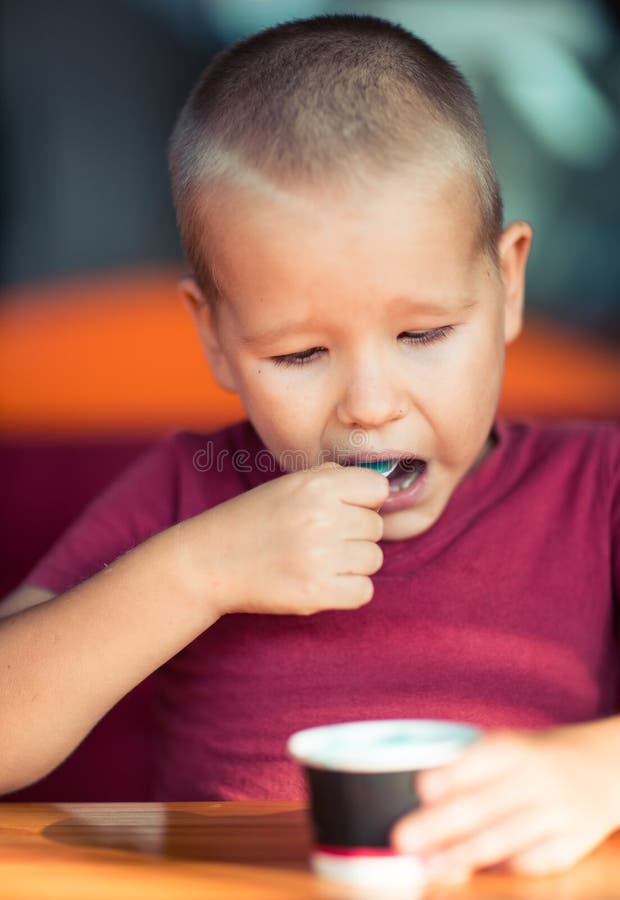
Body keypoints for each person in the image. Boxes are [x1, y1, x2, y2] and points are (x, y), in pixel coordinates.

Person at [1, 13, 618, 883]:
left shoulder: (597, 488)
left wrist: (601, 771)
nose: (368, 408)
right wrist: (196, 572)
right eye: (299, 355)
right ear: (215, 339)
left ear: (508, 285)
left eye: (425, 333)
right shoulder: (194, 489)